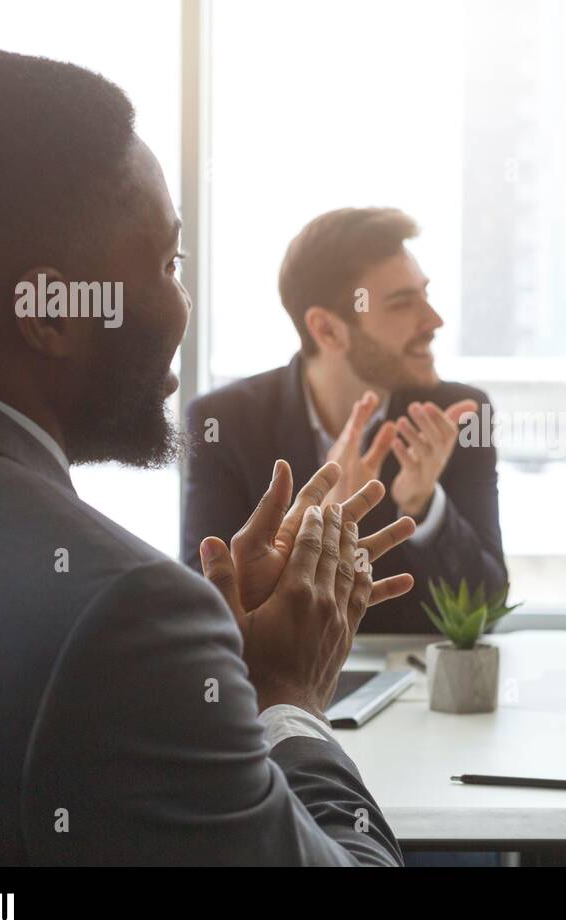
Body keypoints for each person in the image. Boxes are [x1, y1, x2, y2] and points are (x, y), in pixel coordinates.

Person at [0, 50, 416, 865]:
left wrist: (204, 675)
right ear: (50, 312)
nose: (180, 304)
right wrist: (285, 696)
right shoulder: (128, 614)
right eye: (165, 263)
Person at [181, 208, 507, 634]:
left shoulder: (457, 414)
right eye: (403, 303)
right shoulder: (224, 422)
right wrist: (315, 527)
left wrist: (426, 508)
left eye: (424, 294)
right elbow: (207, 610)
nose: (433, 321)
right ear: (328, 330)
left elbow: (484, 611)